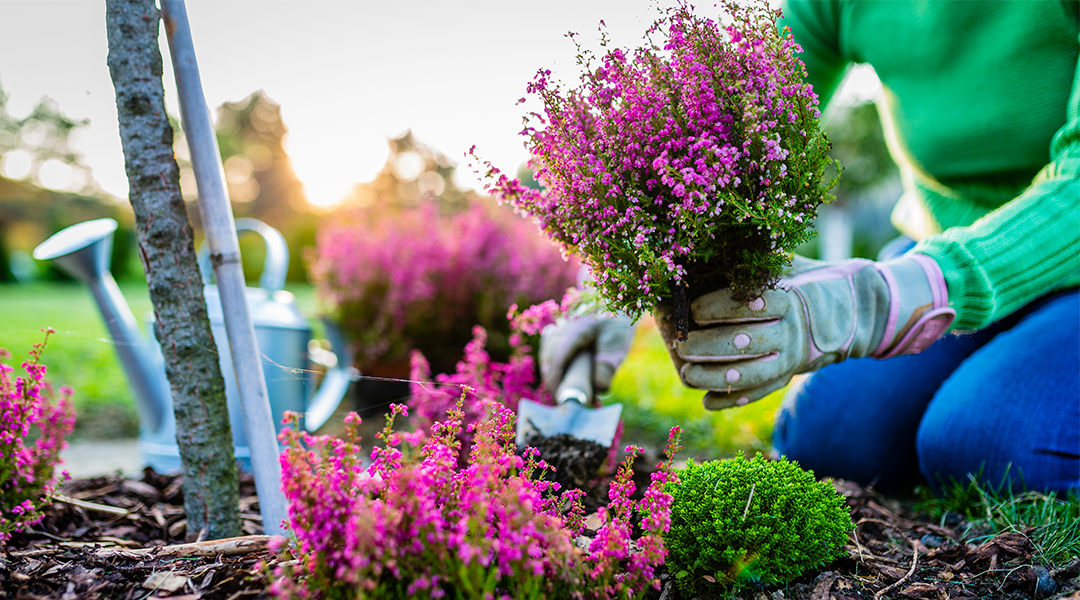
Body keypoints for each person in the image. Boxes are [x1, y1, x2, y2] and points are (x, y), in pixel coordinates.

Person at [541, 0, 1079, 494]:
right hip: (937, 244)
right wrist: (610, 283)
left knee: (984, 442)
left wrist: (882, 299)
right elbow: (726, 124)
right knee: (829, 439)